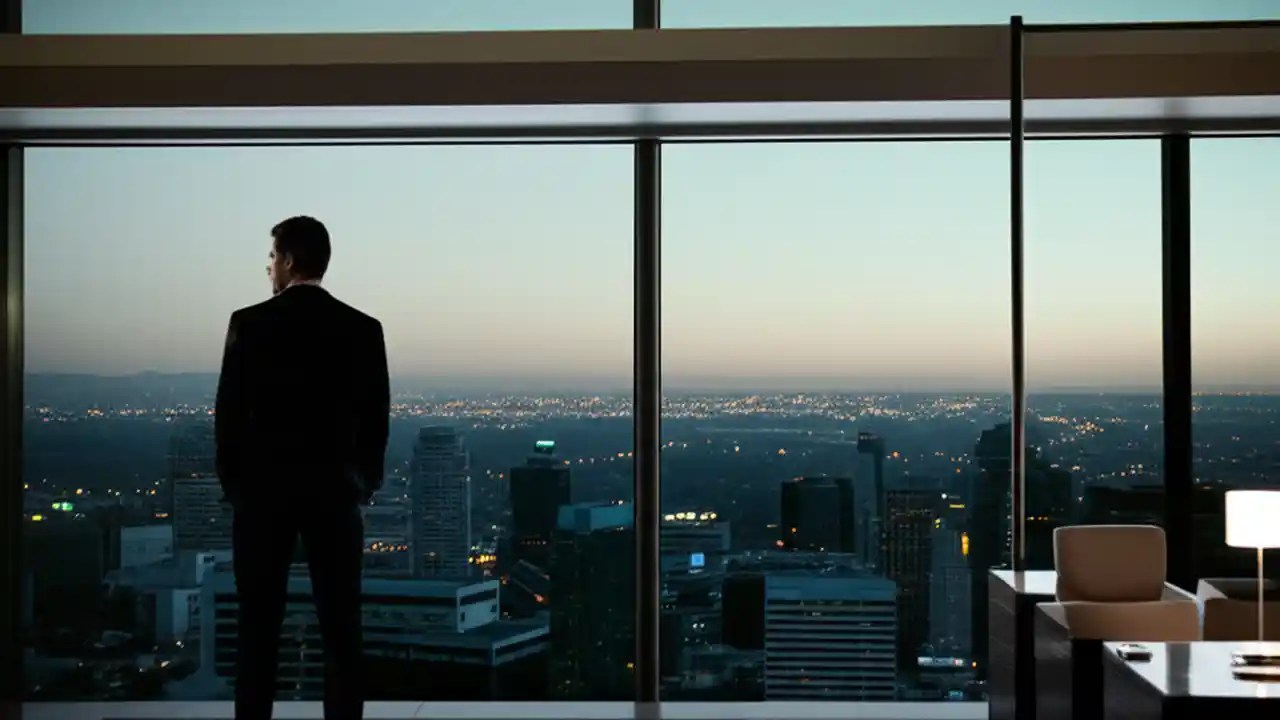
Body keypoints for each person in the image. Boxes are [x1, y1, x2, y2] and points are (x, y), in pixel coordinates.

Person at [215, 215, 389, 720]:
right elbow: (376, 417)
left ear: (289, 261)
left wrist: (237, 490)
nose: (268, 266)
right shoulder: (362, 329)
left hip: (262, 500)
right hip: (335, 497)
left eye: (272, 256)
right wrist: (362, 484)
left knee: (257, 629)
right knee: (341, 627)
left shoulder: (248, 324)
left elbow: (228, 417)